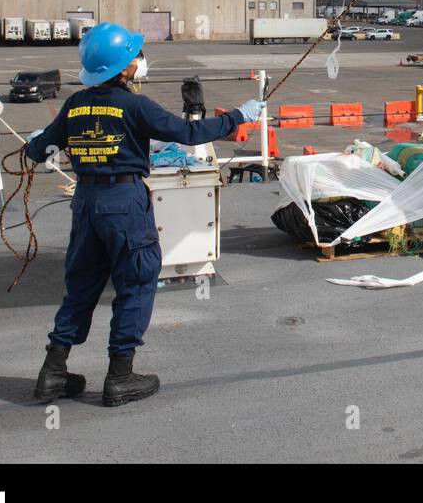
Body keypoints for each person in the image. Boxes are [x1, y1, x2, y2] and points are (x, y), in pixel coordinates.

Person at [28, 22, 265, 406]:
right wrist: (238, 116)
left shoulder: (75, 104)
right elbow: (188, 134)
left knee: (82, 287)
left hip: (86, 204)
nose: (141, 61)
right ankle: (120, 376)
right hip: (123, 204)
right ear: (124, 67)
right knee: (136, 282)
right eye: (136, 55)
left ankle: (52, 372)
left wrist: (36, 143)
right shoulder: (134, 105)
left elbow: (40, 149)